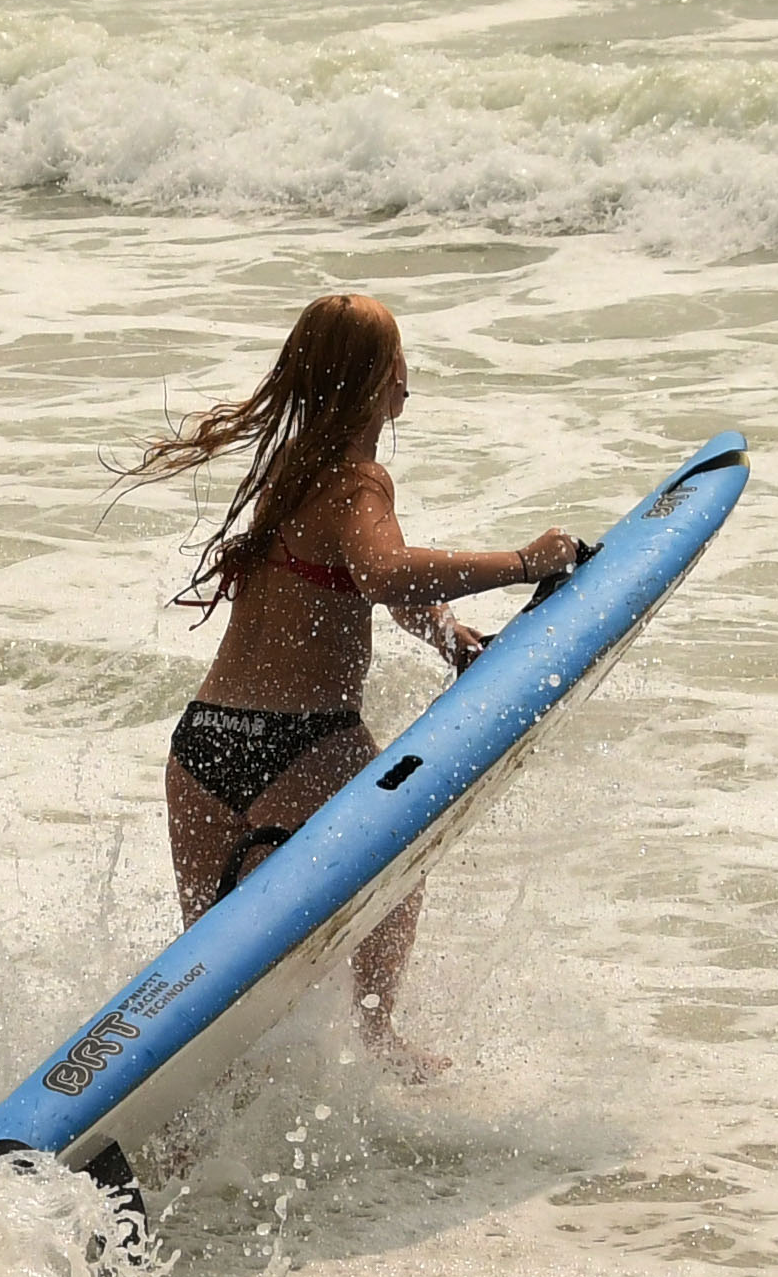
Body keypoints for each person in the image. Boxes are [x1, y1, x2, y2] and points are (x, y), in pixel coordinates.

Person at [122, 293, 579, 1061]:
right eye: (399, 355)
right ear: (379, 378)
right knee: (401, 868)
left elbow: (339, 579)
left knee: (209, 987)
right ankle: (378, 1037)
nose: (408, 373)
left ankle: (181, 1116)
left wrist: (443, 634)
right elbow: (383, 571)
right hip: (304, 747)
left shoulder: (291, 476)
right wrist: (527, 563)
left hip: (203, 748)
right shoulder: (359, 482)